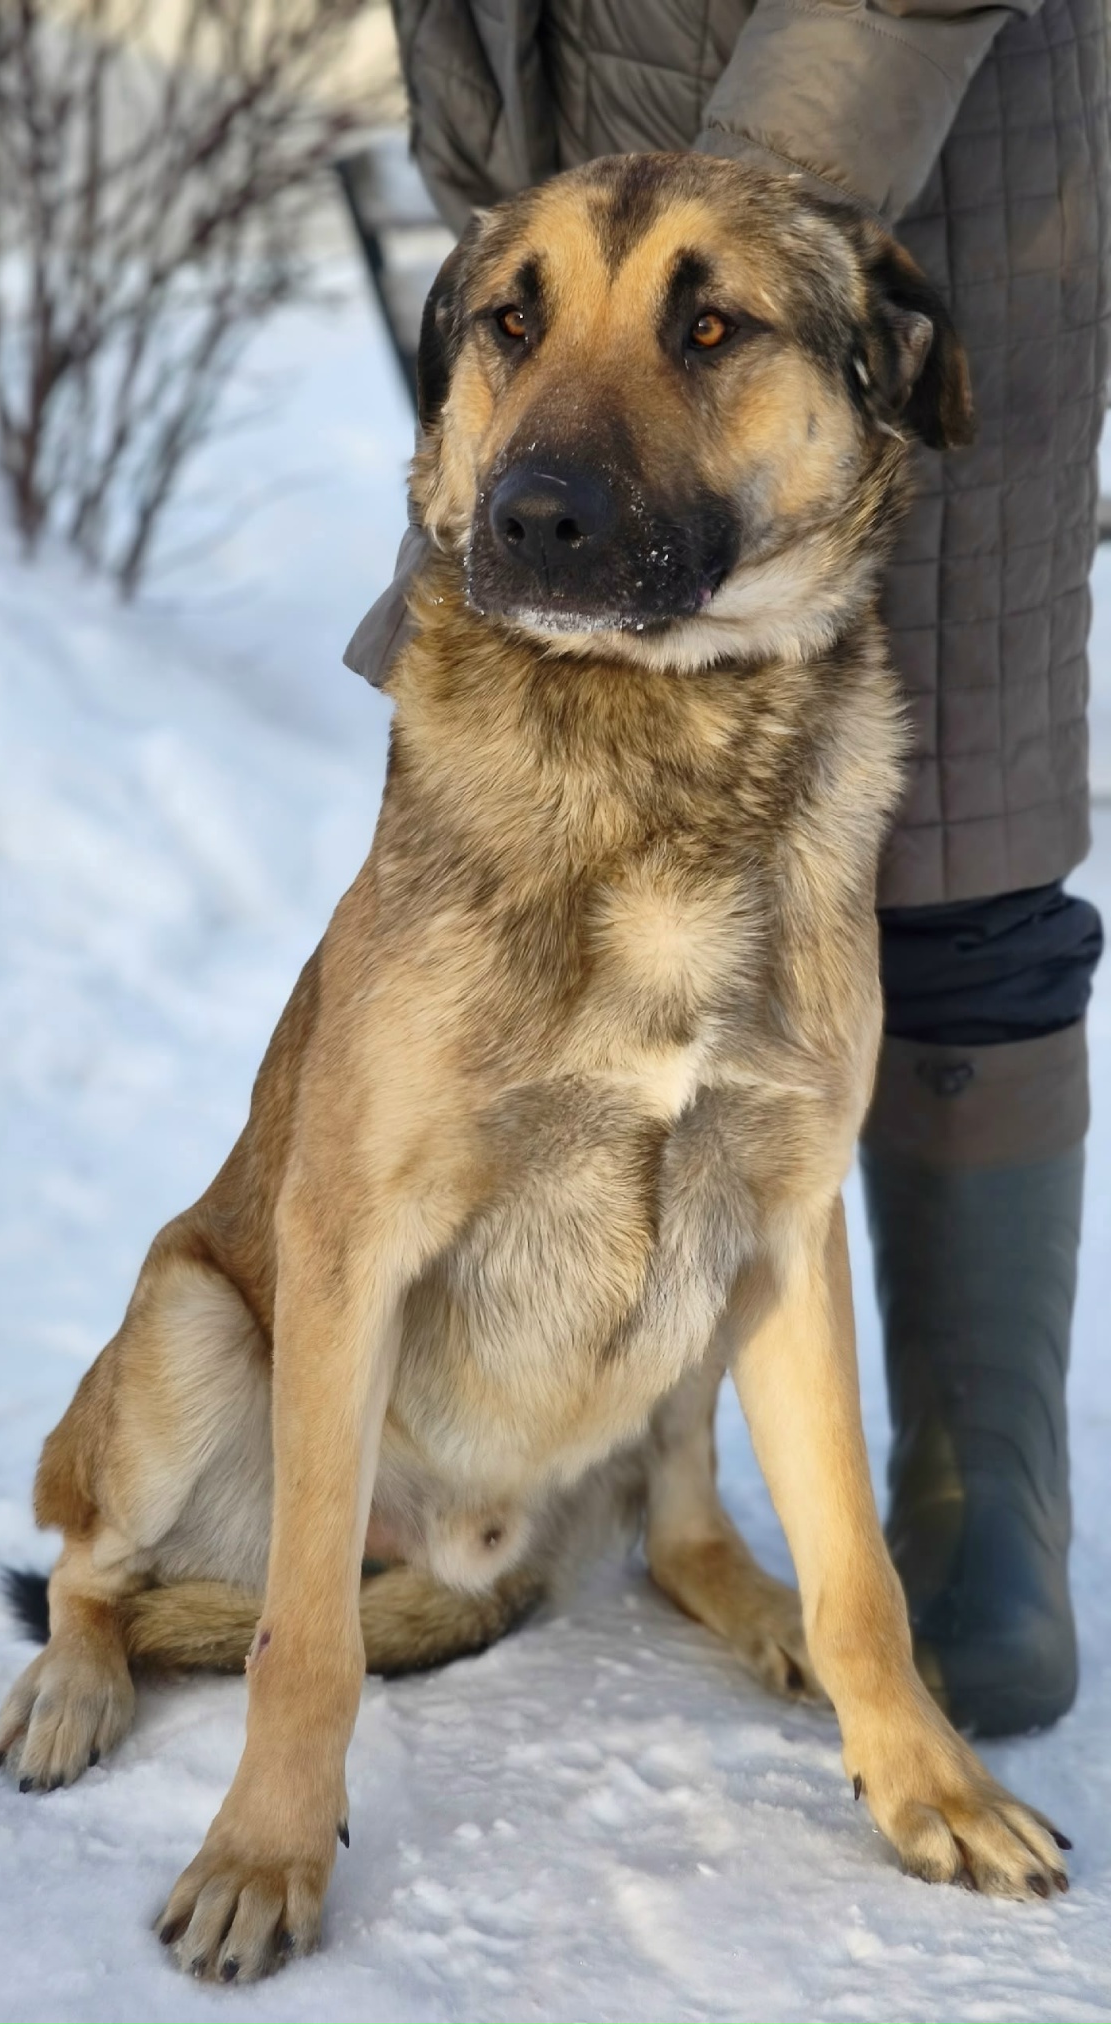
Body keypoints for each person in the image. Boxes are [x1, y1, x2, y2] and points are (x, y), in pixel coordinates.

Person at [347, 0, 1107, 1736]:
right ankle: (575, 1441)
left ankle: (982, 1506)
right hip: (597, 202)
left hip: (900, 191)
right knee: (541, 899)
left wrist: (754, 241)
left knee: (958, 871)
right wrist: (512, 237)